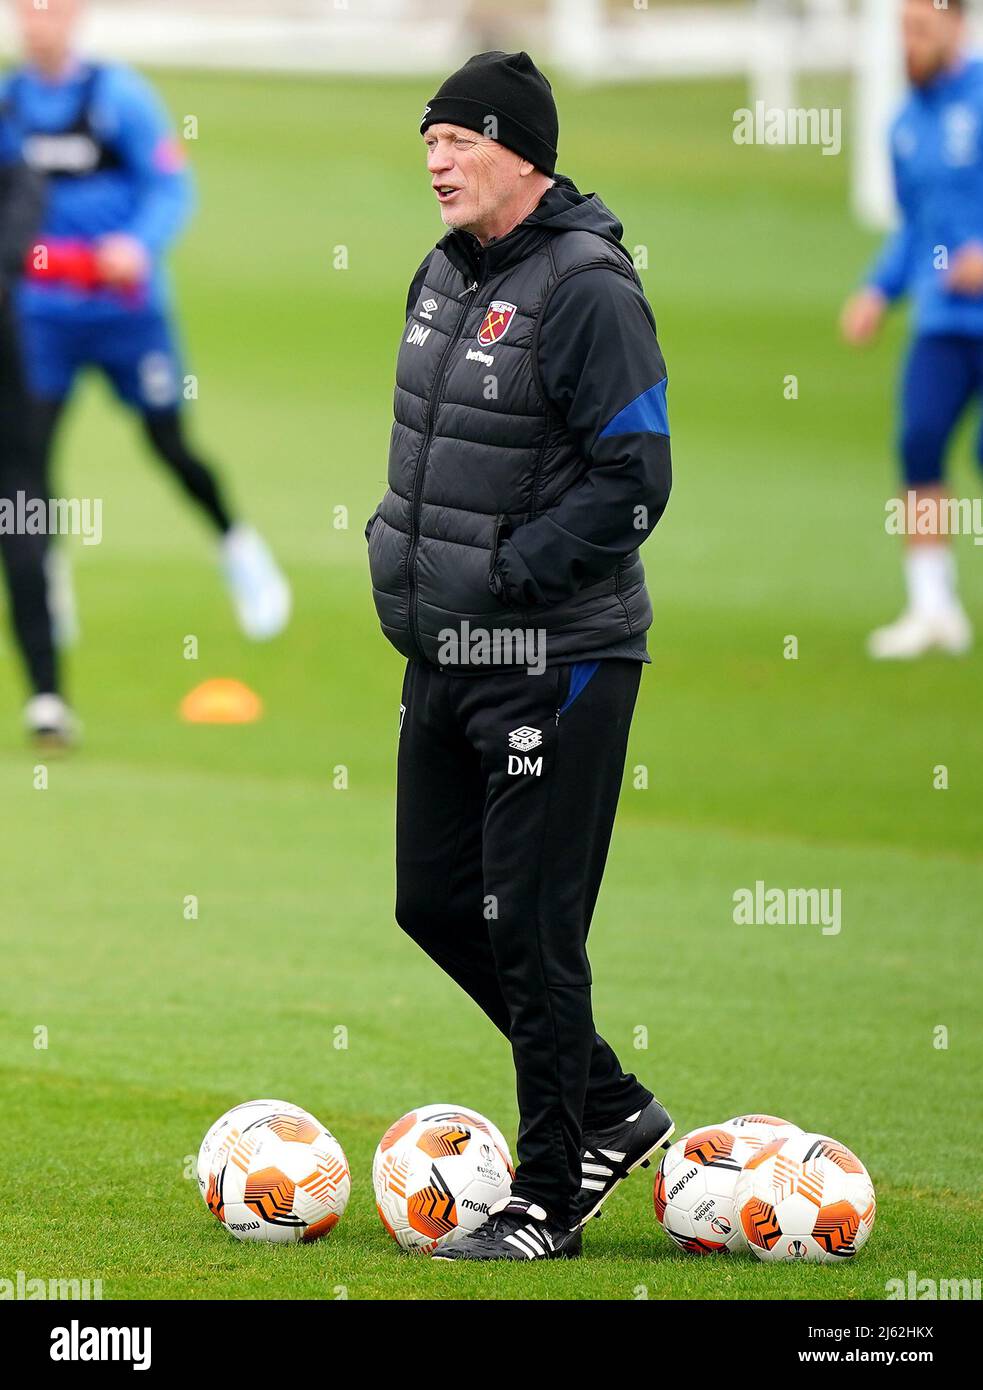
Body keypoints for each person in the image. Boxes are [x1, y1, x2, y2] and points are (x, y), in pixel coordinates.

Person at [366, 51, 674, 1261]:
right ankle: (607, 1103)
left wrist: (505, 578)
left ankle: (551, 1192)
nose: (434, 159)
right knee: (432, 900)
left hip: (557, 657)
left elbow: (636, 480)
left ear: (518, 150)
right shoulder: (443, 273)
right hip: (443, 651)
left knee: (530, 928)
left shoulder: (590, 288)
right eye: (426, 139)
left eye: (455, 138)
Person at [0, 0, 290, 740]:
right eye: (28, 11)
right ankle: (49, 578)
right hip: (40, 316)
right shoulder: (10, 103)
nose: (40, 24)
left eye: (53, 10)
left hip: (128, 312)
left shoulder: (119, 96)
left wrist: (138, 243)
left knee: (169, 443)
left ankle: (235, 544)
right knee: (30, 454)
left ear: (76, 17)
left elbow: (171, 188)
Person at [841, 0, 979, 659]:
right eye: (902, 31)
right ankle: (931, 608)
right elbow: (912, 230)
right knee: (918, 442)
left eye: (920, 29)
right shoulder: (900, 126)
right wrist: (876, 289)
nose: (908, 44)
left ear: (957, 25)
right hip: (941, 321)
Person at [0, 152, 67, 742]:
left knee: (24, 541)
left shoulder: (15, 168)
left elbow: (20, 234)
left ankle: (47, 695)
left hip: (8, 426)